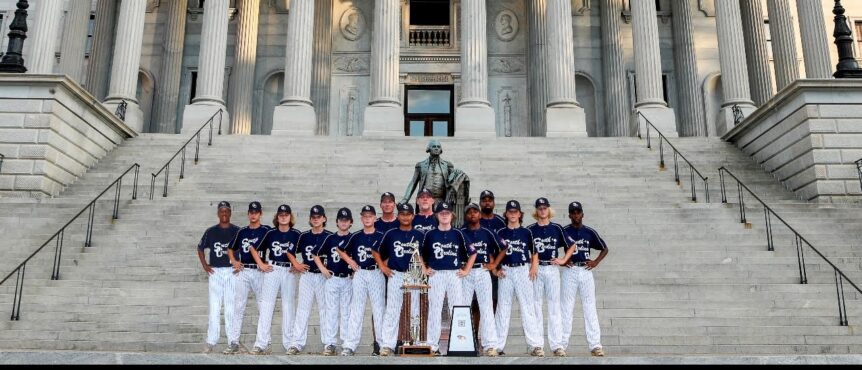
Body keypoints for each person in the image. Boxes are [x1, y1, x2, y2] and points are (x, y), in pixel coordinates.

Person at [422, 201, 477, 355]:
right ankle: (432, 345)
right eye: (441, 213)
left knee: (457, 309)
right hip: (436, 273)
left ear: (452, 215)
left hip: (454, 274)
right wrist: (424, 268)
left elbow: (473, 252)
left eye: (447, 213)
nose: (444, 215)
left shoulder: (458, 233)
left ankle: (459, 344)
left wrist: (466, 270)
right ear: (437, 215)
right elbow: (420, 252)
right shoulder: (430, 234)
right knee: (435, 309)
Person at [492, 200, 545, 357]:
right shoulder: (501, 232)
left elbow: (534, 251)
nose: (513, 214)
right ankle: (497, 345)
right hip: (506, 270)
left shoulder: (527, 232)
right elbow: (493, 253)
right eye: (510, 212)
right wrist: (495, 269)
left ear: (520, 214)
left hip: (522, 269)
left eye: (515, 212)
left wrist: (534, 266)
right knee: (503, 308)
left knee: (528, 307)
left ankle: (535, 345)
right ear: (506, 214)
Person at [249, 204, 302, 355]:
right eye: (281, 215)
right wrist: (261, 264)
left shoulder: (296, 234)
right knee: (266, 305)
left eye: (286, 215)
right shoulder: (270, 233)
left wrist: (297, 265)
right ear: (277, 217)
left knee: (288, 306)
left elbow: (307, 250)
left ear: (290, 217)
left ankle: (289, 343)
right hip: (273, 269)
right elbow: (253, 248)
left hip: (288, 271)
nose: (283, 217)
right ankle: (261, 343)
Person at [558, 201, 609, 357]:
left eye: (578, 212)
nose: (576, 215)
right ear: (569, 215)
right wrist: (563, 260)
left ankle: (595, 345)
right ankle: (561, 345)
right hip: (570, 270)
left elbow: (604, 248)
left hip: (586, 270)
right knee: (566, 308)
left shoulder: (589, 232)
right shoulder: (564, 231)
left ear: (582, 214)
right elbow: (551, 246)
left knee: (590, 307)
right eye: (573, 213)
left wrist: (596, 262)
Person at [378, 203, 426, 356]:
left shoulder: (420, 235)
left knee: (415, 310)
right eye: (402, 214)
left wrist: (424, 269)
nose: (405, 217)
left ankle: (415, 342)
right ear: (398, 216)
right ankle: (387, 344)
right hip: (396, 274)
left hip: (414, 274)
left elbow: (424, 255)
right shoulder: (391, 233)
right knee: (392, 309)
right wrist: (382, 266)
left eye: (408, 214)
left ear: (413, 216)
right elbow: (377, 251)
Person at [225, 201, 272, 355]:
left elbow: (275, 247)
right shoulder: (242, 231)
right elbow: (230, 248)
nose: (253, 215)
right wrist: (234, 261)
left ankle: (263, 343)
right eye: (251, 212)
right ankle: (233, 342)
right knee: (238, 306)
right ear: (248, 214)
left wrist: (269, 264)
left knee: (263, 307)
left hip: (259, 271)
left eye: (256, 212)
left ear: (260, 214)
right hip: (244, 270)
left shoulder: (266, 230)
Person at [339, 205, 386, 356]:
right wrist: (350, 261)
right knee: (356, 309)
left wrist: (383, 265)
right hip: (360, 272)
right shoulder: (356, 236)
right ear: (361, 218)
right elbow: (340, 249)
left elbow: (389, 252)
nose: (367, 219)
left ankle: (382, 344)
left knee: (379, 309)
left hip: (376, 272)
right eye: (365, 216)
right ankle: (350, 344)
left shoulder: (381, 235)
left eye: (370, 216)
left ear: (375, 218)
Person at [287, 206, 333, 355]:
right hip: (307, 275)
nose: (316, 219)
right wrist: (296, 264)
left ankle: (329, 343)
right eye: (313, 217)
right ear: (310, 219)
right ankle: (296, 343)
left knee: (325, 310)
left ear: (324, 218)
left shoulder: (330, 236)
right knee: (302, 309)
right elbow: (290, 251)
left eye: (318, 217)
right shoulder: (304, 236)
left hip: (323, 277)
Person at [526, 198, 570, 357]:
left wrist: (564, 260)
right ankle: (537, 345)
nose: (542, 210)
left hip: (552, 268)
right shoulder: (530, 230)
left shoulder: (556, 228)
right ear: (536, 211)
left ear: (549, 209)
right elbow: (525, 249)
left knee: (554, 307)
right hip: (537, 269)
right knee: (535, 306)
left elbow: (571, 244)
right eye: (540, 208)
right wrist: (532, 263)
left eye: (545, 208)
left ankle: (557, 345)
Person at [197, 201, 241, 354]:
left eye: (226, 211)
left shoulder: (237, 231)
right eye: (221, 211)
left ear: (230, 213)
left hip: (231, 272)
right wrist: (205, 265)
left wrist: (240, 265)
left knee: (230, 308)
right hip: (215, 271)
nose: (224, 213)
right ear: (218, 213)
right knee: (214, 307)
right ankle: (211, 341)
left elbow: (246, 249)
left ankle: (232, 341)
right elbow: (200, 248)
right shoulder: (211, 231)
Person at [460, 202, 501, 357]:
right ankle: (464, 342)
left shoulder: (487, 232)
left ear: (479, 214)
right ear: (466, 215)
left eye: (475, 211)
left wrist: (494, 264)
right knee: (463, 307)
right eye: (469, 212)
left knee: (486, 308)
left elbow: (504, 246)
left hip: (482, 271)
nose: (472, 214)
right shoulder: (461, 232)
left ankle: (490, 345)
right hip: (466, 272)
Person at [316, 207, 356, 356]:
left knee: (346, 312)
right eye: (341, 220)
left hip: (347, 278)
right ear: (337, 222)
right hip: (332, 278)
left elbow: (357, 258)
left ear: (351, 222)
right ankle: (330, 343)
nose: (343, 222)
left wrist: (355, 272)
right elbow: (315, 254)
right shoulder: (330, 238)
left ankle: (346, 343)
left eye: (346, 220)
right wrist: (322, 268)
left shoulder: (353, 238)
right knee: (331, 311)